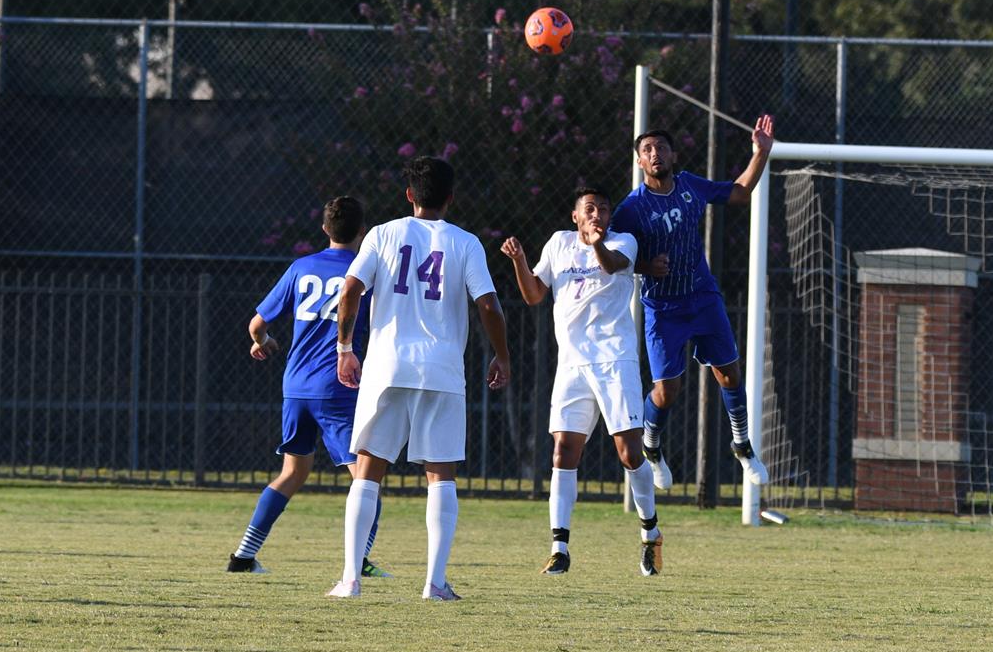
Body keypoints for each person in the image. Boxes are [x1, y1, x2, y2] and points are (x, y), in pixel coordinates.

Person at [329, 156, 509, 601]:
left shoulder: (382, 233)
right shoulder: (465, 242)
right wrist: (502, 356)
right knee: (440, 476)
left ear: (408, 195)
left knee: (367, 473)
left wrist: (345, 349)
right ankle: (435, 582)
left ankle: (351, 579)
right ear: (451, 197)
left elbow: (350, 290)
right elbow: (488, 304)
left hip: (387, 367)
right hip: (442, 370)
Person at [500, 187, 662, 578]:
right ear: (575, 216)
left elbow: (610, 265)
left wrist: (596, 244)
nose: (597, 215)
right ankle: (559, 549)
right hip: (572, 364)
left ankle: (650, 533)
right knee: (563, 452)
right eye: (589, 210)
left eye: (603, 210)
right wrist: (521, 262)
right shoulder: (558, 244)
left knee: (628, 454)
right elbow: (535, 294)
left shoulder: (623, 241)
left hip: (614, 360)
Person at [611, 116, 775, 491]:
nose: (655, 154)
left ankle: (743, 447)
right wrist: (644, 266)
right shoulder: (631, 209)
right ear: (639, 162)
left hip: (702, 297)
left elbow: (738, 192)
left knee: (729, 374)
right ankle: (652, 447)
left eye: (661, 147)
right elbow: (613, 259)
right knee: (667, 392)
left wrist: (761, 154)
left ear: (673, 154)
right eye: (647, 150)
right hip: (662, 308)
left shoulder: (690, 186)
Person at [229, 196, 388, 577]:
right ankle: (359, 561)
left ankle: (243, 557)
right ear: (363, 232)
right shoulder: (368, 269)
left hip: (296, 387)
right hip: (340, 385)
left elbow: (256, 324)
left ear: (324, 229)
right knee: (366, 477)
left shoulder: (302, 267)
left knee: (293, 472)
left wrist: (263, 343)